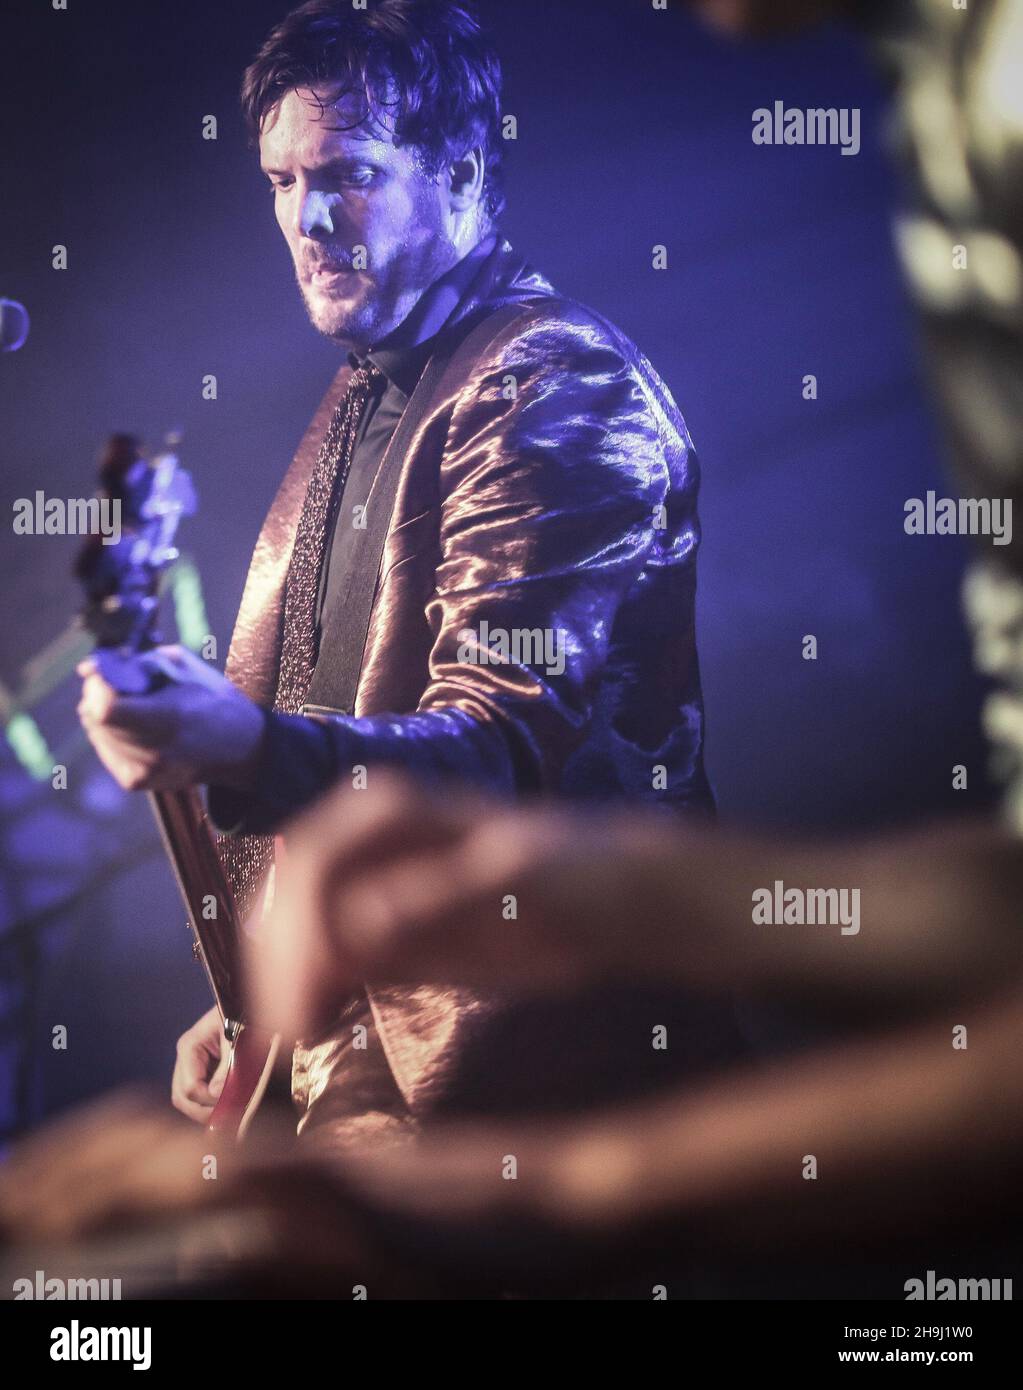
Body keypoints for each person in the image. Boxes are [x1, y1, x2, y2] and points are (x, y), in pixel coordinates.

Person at [75, 0, 728, 1151]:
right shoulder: (366, 387)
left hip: (536, 1088)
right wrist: (258, 1001)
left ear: (465, 171)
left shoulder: (551, 383)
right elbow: (346, 728)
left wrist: (238, 744)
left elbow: (494, 756)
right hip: (369, 1067)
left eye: (350, 173)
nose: (309, 219)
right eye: (280, 181)